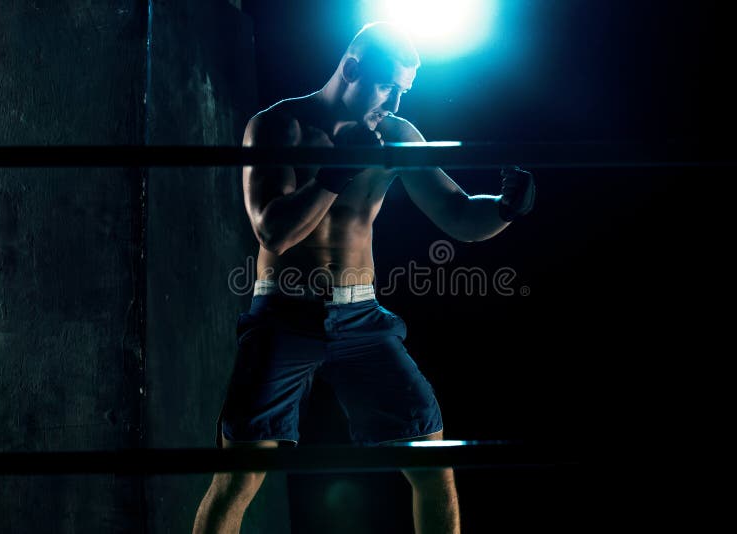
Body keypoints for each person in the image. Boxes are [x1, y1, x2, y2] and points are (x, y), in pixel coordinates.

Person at [193, 21, 535, 534]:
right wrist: (336, 169)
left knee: (432, 467)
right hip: (285, 316)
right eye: (386, 85)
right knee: (239, 478)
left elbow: (459, 214)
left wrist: (505, 209)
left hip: (361, 319)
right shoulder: (278, 127)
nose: (394, 102)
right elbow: (273, 233)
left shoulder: (396, 135)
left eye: (404, 90)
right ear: (350, 70)